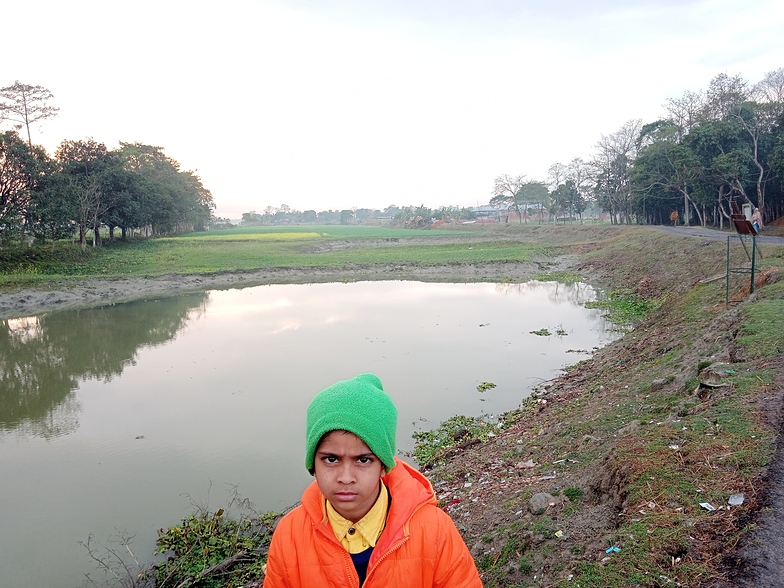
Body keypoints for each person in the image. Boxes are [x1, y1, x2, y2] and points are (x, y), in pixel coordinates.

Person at [263, 373, 483, 588]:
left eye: (363, 460)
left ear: (383, 466)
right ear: (313, 466)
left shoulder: (434, 531)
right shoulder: (289, 535)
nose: (346, 478)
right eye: (331, 459)